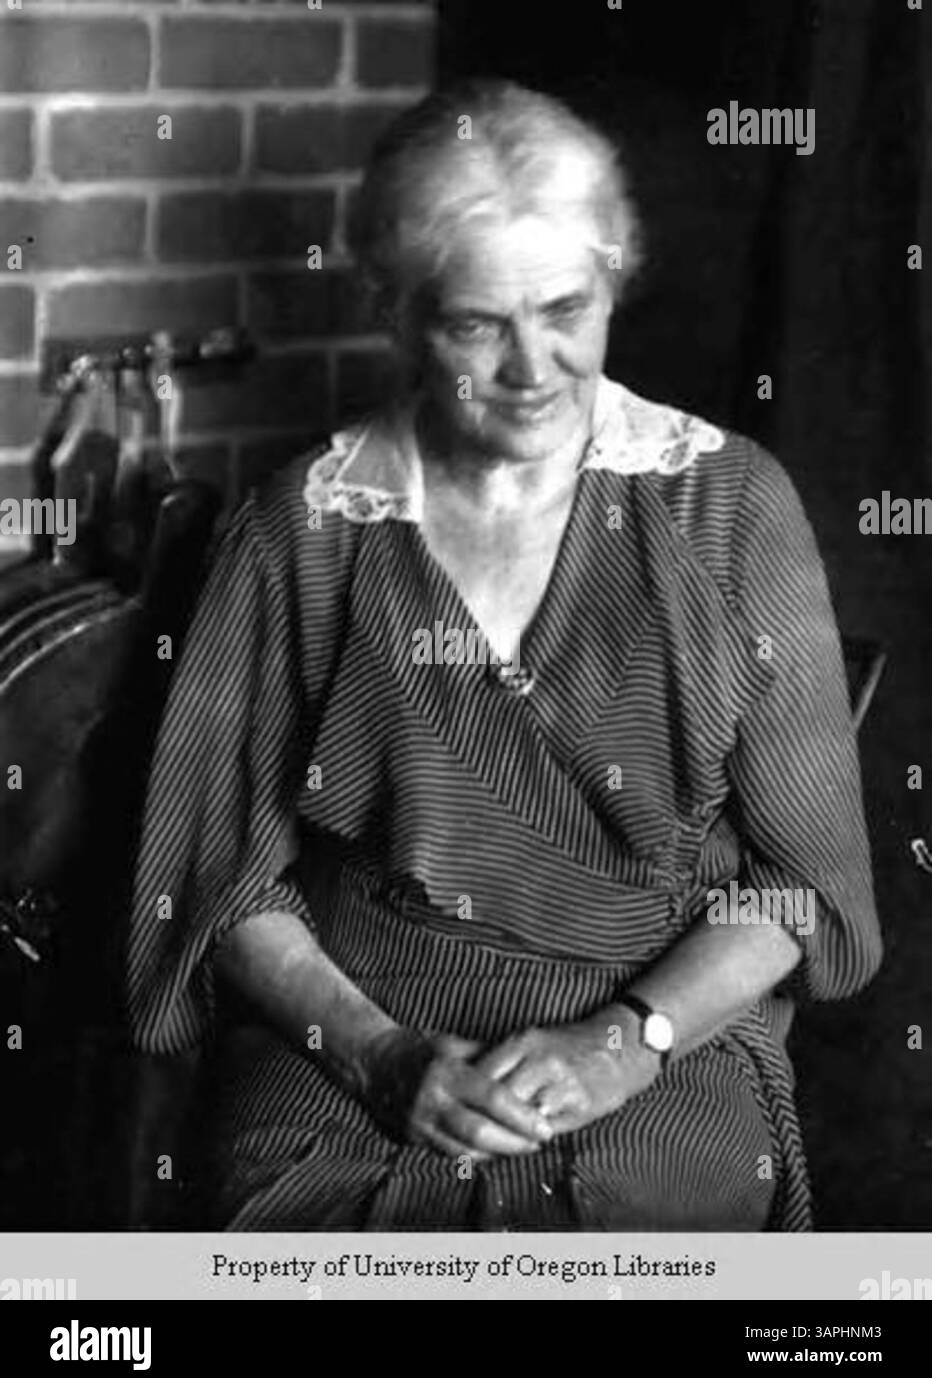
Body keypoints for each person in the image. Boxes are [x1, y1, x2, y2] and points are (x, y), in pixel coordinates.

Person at [127, 80, 882, 1232]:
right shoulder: (303, 526)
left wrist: (622, 1048)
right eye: (478, 324)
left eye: (565, 308)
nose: (533, 367)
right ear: (397, 311)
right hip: (355, 1035)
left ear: (614, 280)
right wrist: (381, 1058)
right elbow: (223, 889)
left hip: (658, 1030)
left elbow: (798, 888)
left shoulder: (729, 507)